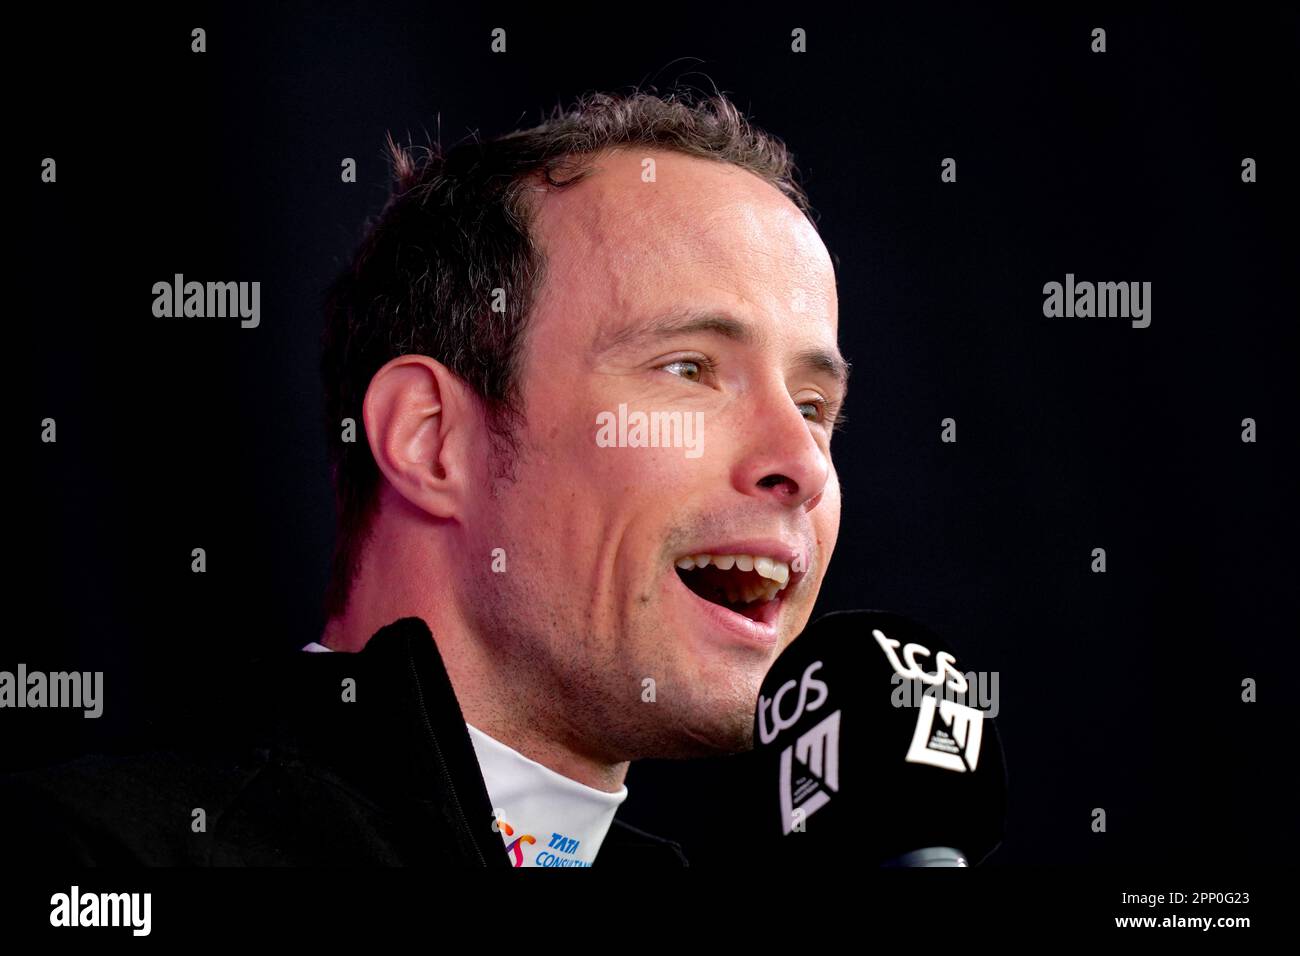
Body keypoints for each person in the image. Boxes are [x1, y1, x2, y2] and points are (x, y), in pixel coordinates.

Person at [2, 88, 848, 867]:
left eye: (814, 405)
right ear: (430, 438)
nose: (804, 463)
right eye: (690, 369)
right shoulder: (88, 860)